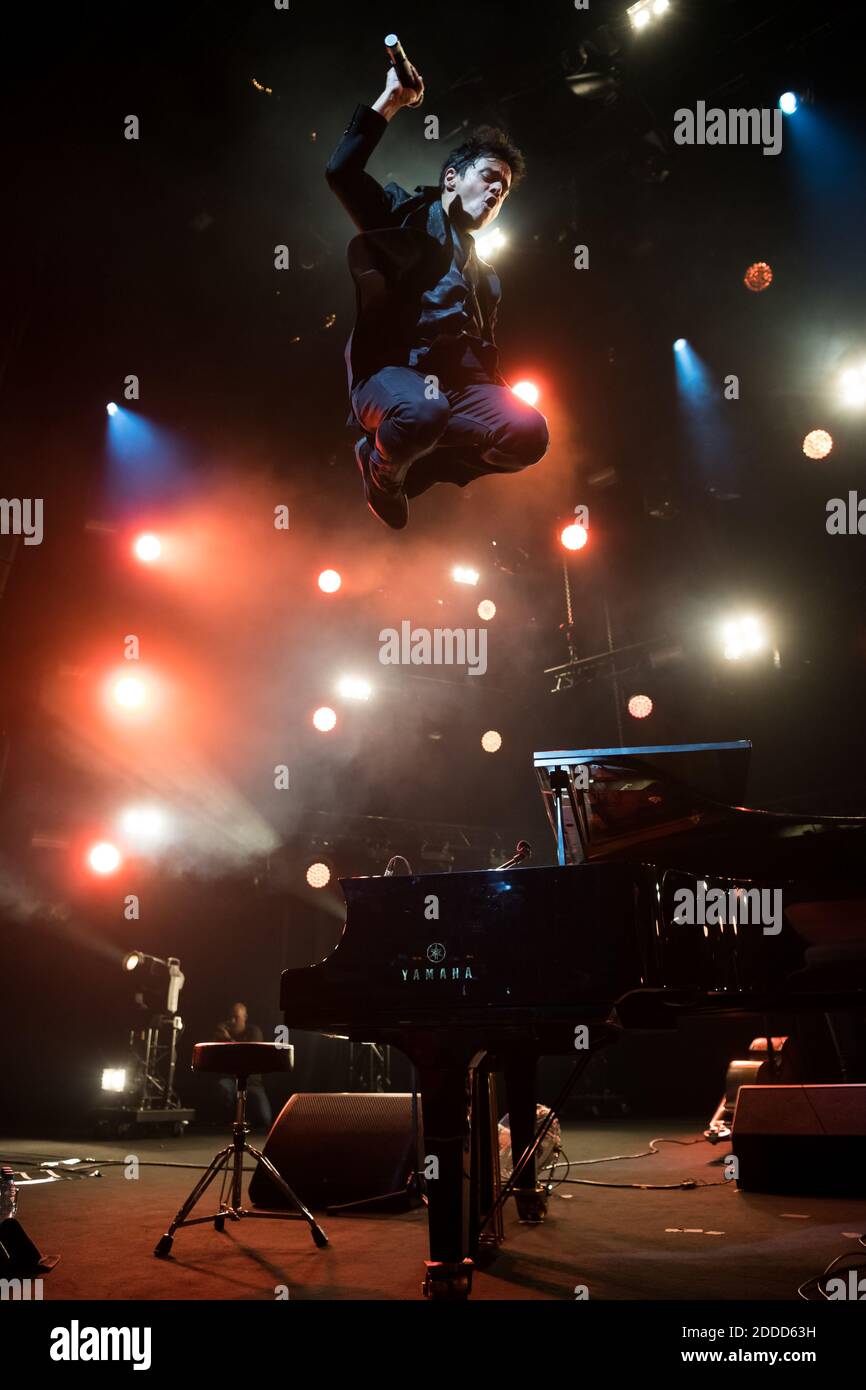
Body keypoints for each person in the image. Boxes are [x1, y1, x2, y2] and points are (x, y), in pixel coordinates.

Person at [325, 59, 549, 529]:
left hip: (456, 390)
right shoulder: (403, 215)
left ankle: (412, 461)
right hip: (391, 376)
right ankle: (382, 469)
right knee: (423, 410)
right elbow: (341, 172)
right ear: (452, 178)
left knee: (529, 433)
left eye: (503, 190)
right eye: (489, 177)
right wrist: (391, 102)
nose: (495, 192)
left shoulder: (486, 278)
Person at [214, 1002, 272, 1129]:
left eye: (236, 1017)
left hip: (252, 1083)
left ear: (245, 1018)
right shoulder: (224, 1033)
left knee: (265, 1119)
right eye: (230, 1017)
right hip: (231, 1080)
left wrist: (228, 1040)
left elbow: (248, 1054)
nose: (232, 1020)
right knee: (222, 1086)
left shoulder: (254, 1032)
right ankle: (228, 1122)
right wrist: (218, 1039)